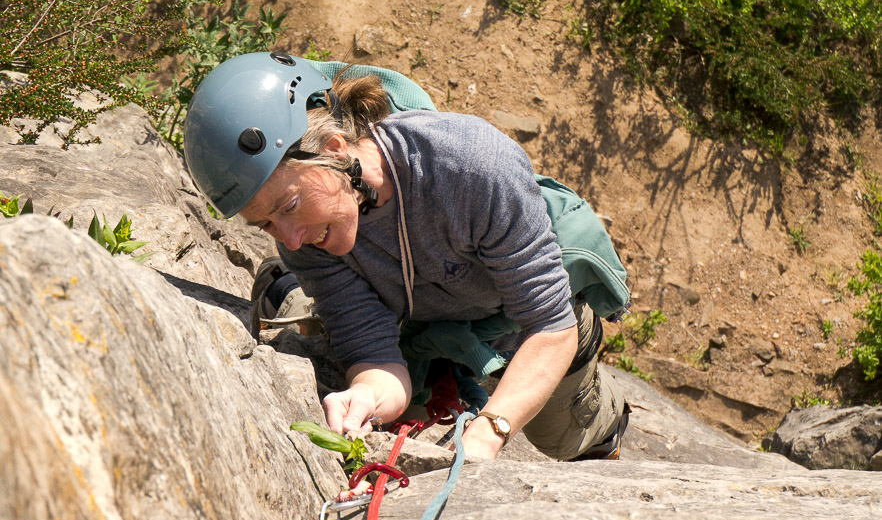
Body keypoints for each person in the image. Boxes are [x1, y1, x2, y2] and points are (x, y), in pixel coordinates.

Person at [183, 51, 629, 462]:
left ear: (334, 150)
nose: (292, 240)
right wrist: (366, 396)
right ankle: (288, 288)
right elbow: (376, 359)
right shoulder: (306, 243)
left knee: (565, 436)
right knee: (394, 412)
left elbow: (549, 326)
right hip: (417, 320)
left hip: (510, 316)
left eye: (290, 207)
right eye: (265, 225)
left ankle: (595, 395)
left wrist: (490, 429)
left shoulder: (470, 166)